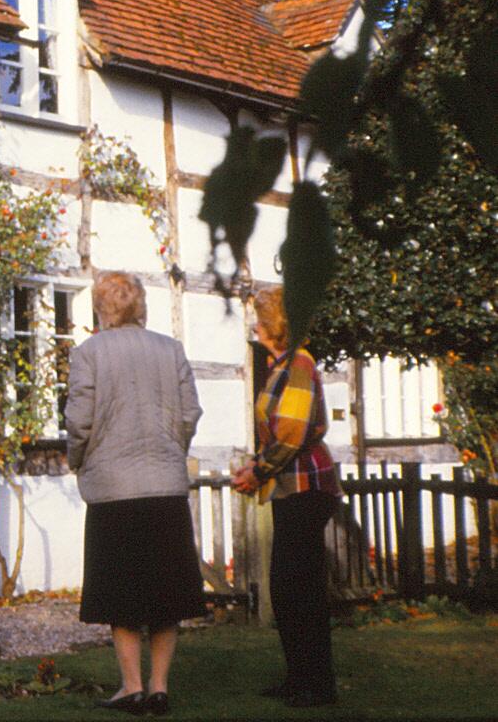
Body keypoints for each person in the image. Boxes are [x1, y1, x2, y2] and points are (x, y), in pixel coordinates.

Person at [65, 271, 206, 716]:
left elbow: (79, 421)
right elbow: (189, 414)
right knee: (167, 594)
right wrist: (171, 452)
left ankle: (131, 687)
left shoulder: (88, 354)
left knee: (121, 595)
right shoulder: (171, 350)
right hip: (164, 488)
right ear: (140, 305)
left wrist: (78, 459)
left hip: (113, 492)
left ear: (101, 309)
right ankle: (159, 687)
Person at [231, 286, 343, 708]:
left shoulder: (298, 362)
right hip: (293, 486)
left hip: (306, 487)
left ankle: (316, 684)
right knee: (291, 588)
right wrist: (258, 468)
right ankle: (302, 679)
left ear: (275, 324)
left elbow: (293, 431)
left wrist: (257, 471)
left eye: (259, 317)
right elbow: (281, 431)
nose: (254, 325)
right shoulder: (282, 363)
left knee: (299, 588)